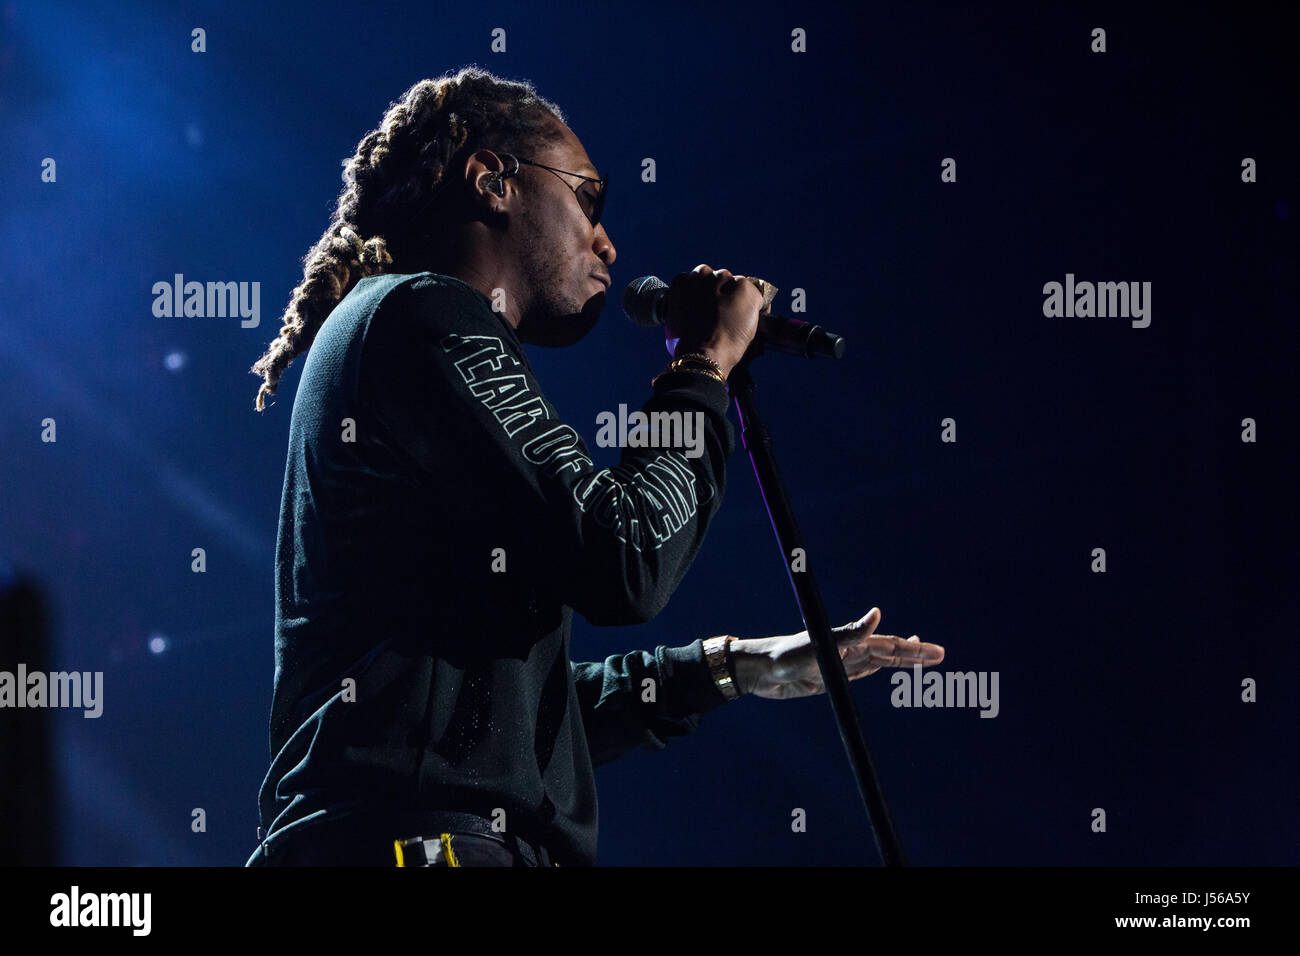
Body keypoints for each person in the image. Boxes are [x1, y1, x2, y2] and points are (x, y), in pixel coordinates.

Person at [244, 66, 943, 868]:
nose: (607, 241)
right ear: (494, 180)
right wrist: (704, 369)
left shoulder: (400, 335)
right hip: (420, 848)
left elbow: (502, 724)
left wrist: (737, 667)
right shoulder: (423, 311)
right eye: (587, 198)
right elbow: (627, 554)